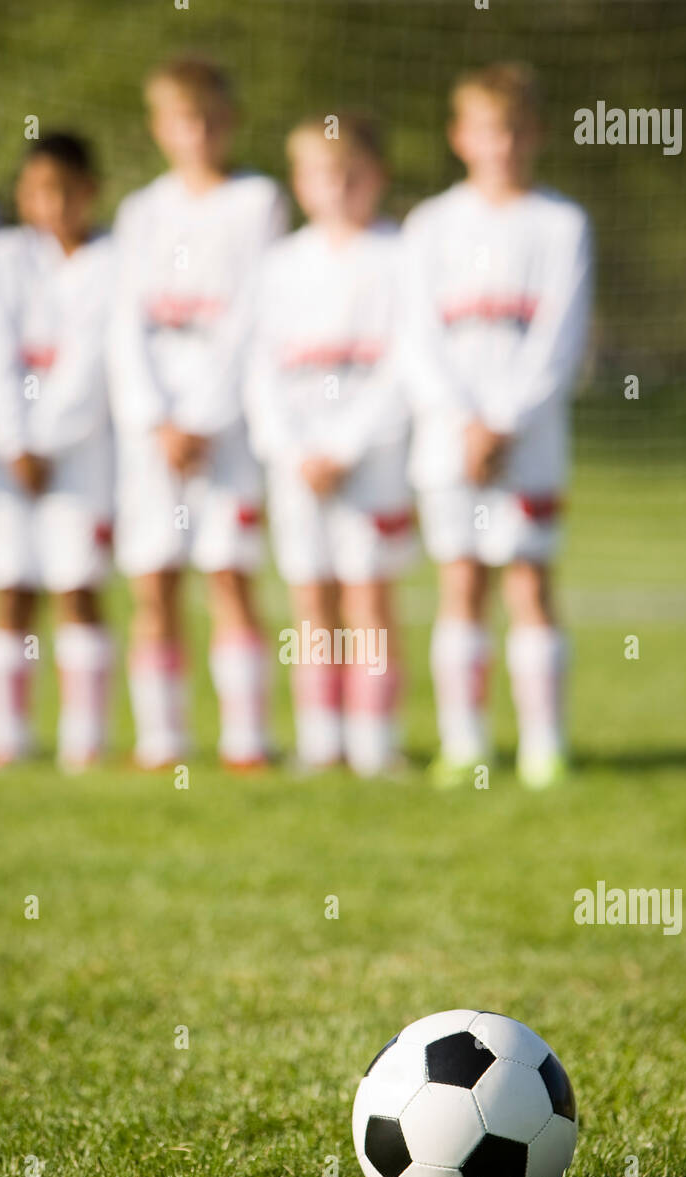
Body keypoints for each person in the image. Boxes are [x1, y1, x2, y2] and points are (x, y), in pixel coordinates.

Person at [402, 63, 592, 788]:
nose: (501, 145)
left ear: (535, 136)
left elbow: (559, 337)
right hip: (449, 444)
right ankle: (466, 744)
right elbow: (417, 337)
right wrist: (464, 423)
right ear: (459, 137)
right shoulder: (430, 225)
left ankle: (545, 746)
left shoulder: (562, 224)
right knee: (460, 583)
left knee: (530, 584)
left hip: (529, 445)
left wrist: (505, 421)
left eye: (513, 131)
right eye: (485, 130)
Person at [109, 55, 288, 770]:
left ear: (231, 121)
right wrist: (157, 418)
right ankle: (163, 740)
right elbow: (125, 323)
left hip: (227, 428)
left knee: (229, 575)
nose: (199, 133)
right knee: (152, 581)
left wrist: (206, 416)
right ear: (159, 128)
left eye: (211, 119)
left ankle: (247, 740)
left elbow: (254, 314)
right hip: (153, 434)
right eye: (184, 121)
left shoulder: (258, 202)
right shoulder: (141, 211)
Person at [245, 115, 413, 775]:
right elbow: (260, 367)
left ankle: (375, 742)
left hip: (370, 463)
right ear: (299, 182)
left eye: (351, 175)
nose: (336, 188)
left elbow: (403, 364)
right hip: (297, 465)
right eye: (320, 174)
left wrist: (345, 446)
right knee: (310, 597)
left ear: (379, 178)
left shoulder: (400, 256)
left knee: (368, 595)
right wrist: (295, 450)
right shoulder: (281, 263)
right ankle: (320, 740)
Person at [0, 133, 114, 769]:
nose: (49, 205)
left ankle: (85, 740)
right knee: (10, 584)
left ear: (90, 192)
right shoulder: (3, 256)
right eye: (35, 192)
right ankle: (8, 736)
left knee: (77, 585)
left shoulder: (111, 261)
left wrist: (48, 438)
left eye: (62, 191)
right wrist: (12, 439)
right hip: (12, 458)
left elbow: (89, 359)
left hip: (79, 454)